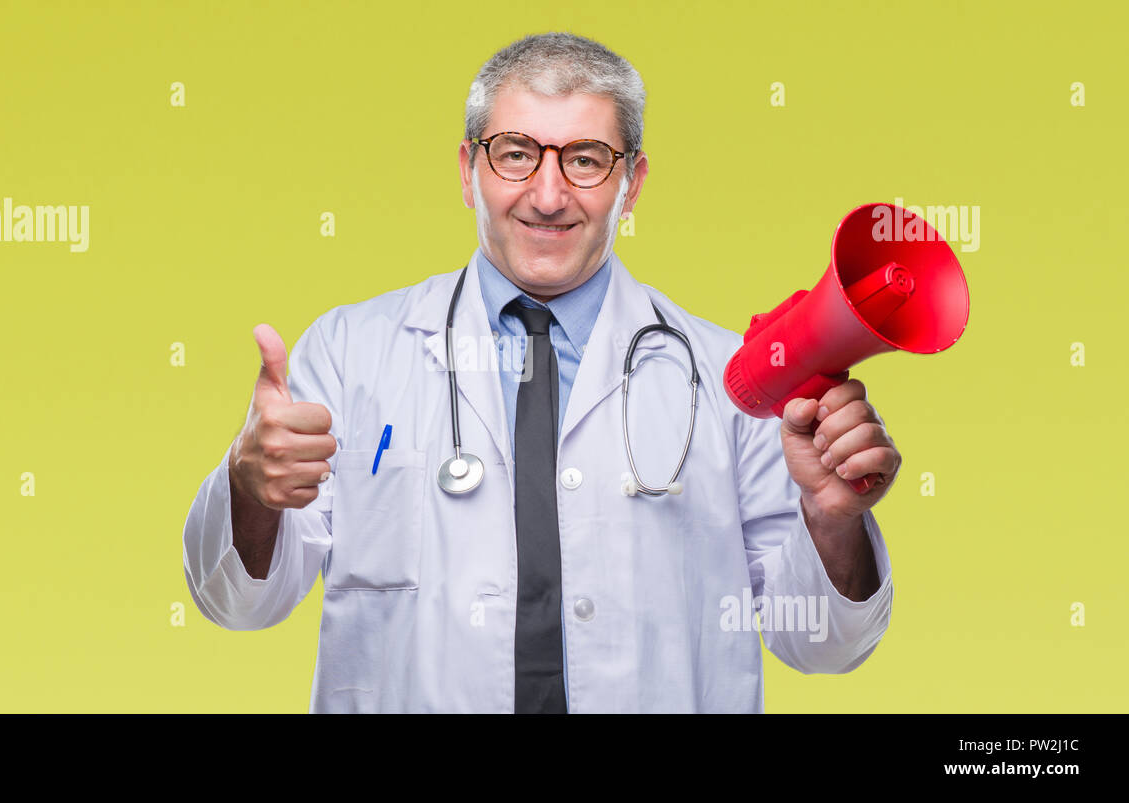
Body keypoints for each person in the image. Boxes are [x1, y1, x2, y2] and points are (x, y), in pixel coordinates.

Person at [182, 32, 898, 713]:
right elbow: (240, 603)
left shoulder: (726, 377)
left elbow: (824, 644)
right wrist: (251, 492)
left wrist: (831, 521)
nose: (549, 195)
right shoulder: (351, 352)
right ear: (468, 171)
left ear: (633, 182)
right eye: (516, 154)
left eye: (585, 159)